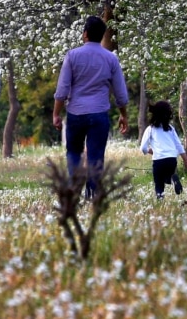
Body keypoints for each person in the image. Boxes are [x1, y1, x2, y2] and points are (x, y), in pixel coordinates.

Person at [53, 16, 130, 197]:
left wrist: (56, 113)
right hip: (99, 114)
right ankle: (92, 195)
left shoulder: (72, 56)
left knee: (73, 151)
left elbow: (62, 88)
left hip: (75, 113)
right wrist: (123, 114)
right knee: (96, 156)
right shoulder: (111, 58)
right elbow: (120, 92)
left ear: (85, 34)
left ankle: (74, 187)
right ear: (102, 35)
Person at [139, 100, 187, 199]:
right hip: (171, 159)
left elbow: (143, 148)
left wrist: (151, 151)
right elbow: (178, 145)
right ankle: (173, 179)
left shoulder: (150, 129)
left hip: (158, 160)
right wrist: (186, 160)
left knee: (159, 184)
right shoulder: (171, 128)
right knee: (168, 176)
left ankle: (160, 201)